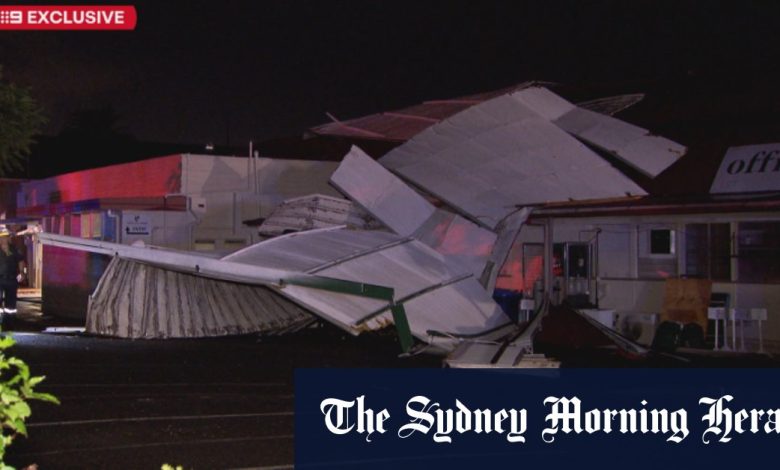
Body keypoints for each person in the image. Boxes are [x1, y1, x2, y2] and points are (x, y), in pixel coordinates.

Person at [0, 227, 25, 315]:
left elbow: (20, 260)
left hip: (11, 280)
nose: (3, 239)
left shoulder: (14, 249)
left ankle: (9, 322)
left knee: (11, 306)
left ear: (8, 238)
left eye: (5, 237)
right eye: (1, 237)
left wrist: (22, 272)